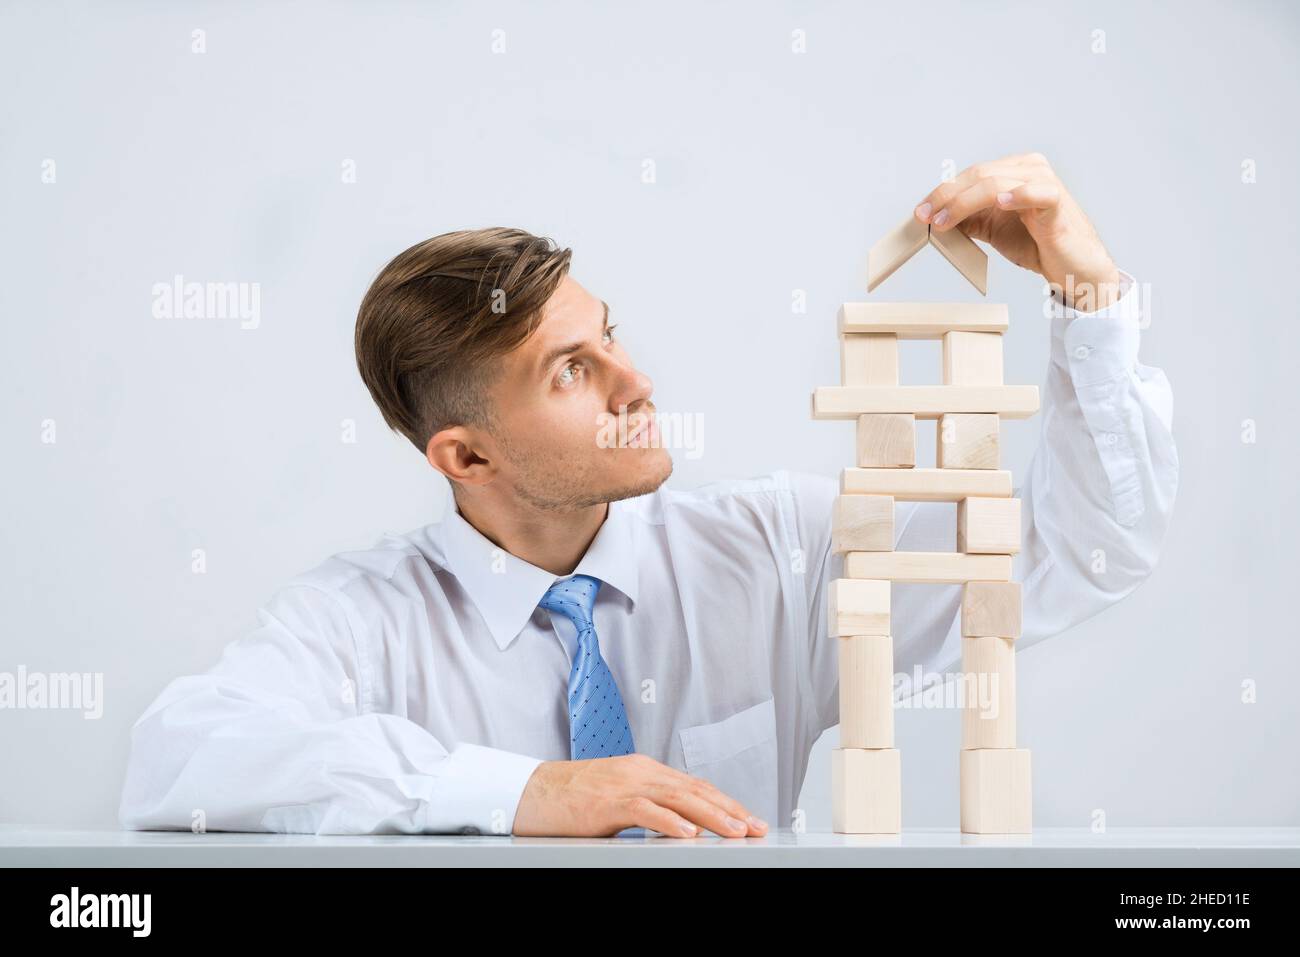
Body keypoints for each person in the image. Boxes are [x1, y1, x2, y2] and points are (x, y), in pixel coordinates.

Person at [119, 153, 1178, 838]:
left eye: (608, 335)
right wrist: (523, 793)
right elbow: (181, 758)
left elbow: (1074, 553)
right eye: (570, 371)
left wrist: (1086, 296)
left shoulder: (777, 551)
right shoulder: (362, 622)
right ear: (466, 458)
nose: (638, 383)